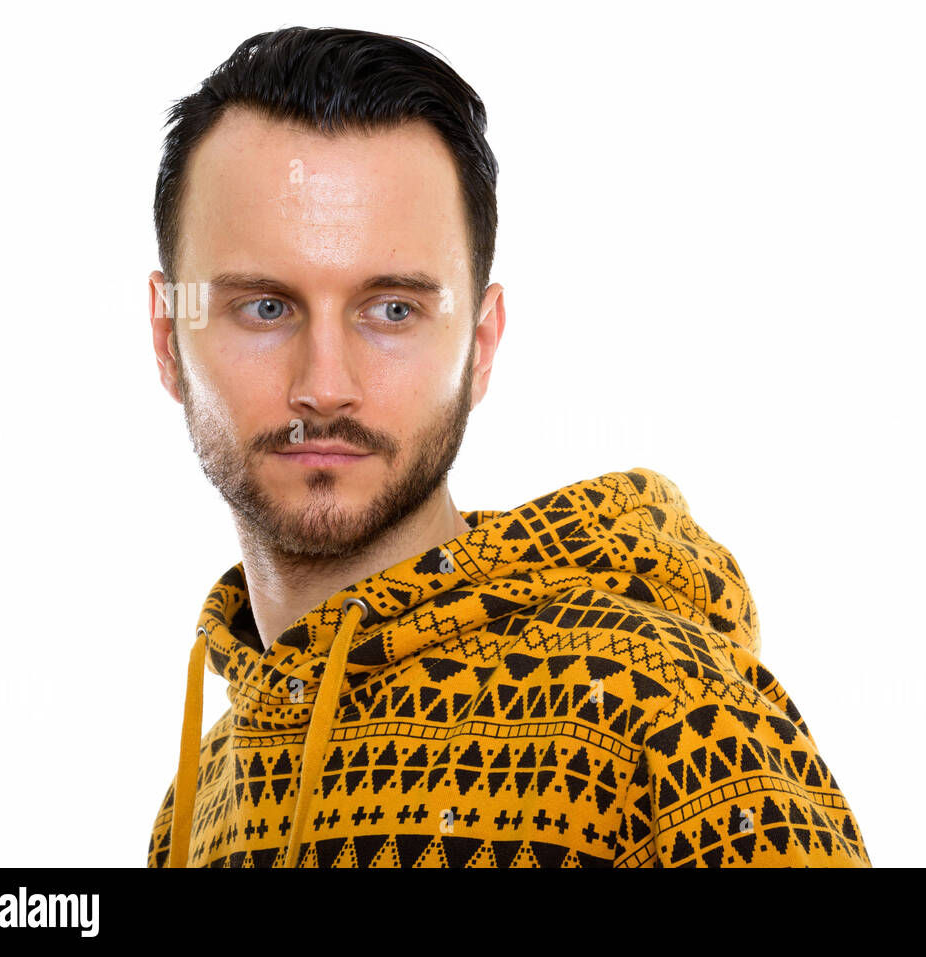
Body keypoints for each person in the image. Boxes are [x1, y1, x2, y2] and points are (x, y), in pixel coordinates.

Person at [145, 25, 871, 868]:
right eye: (266, 307)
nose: (326, 384)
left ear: (481, 344)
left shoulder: (678, 722)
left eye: (392, 310)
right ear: (168, 337)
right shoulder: (197, 802)